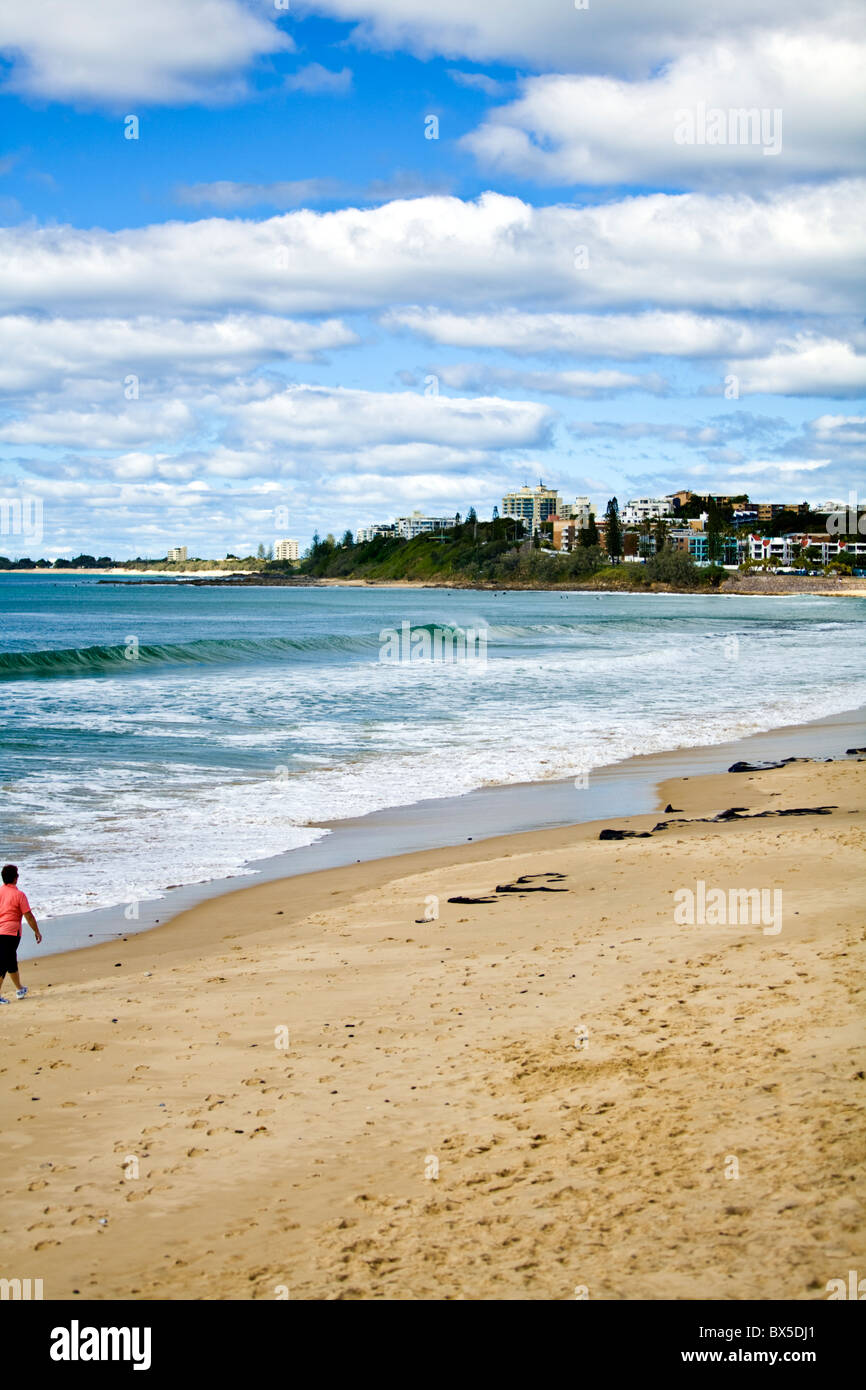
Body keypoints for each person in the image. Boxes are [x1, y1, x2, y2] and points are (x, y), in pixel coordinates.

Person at [0, 864, 41, 1003]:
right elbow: (28, 916)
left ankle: (19, 989)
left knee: (10, 960)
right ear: (16, 879)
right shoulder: (19, 895)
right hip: (11, 933)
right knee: (4, 963)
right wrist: (37, 931)